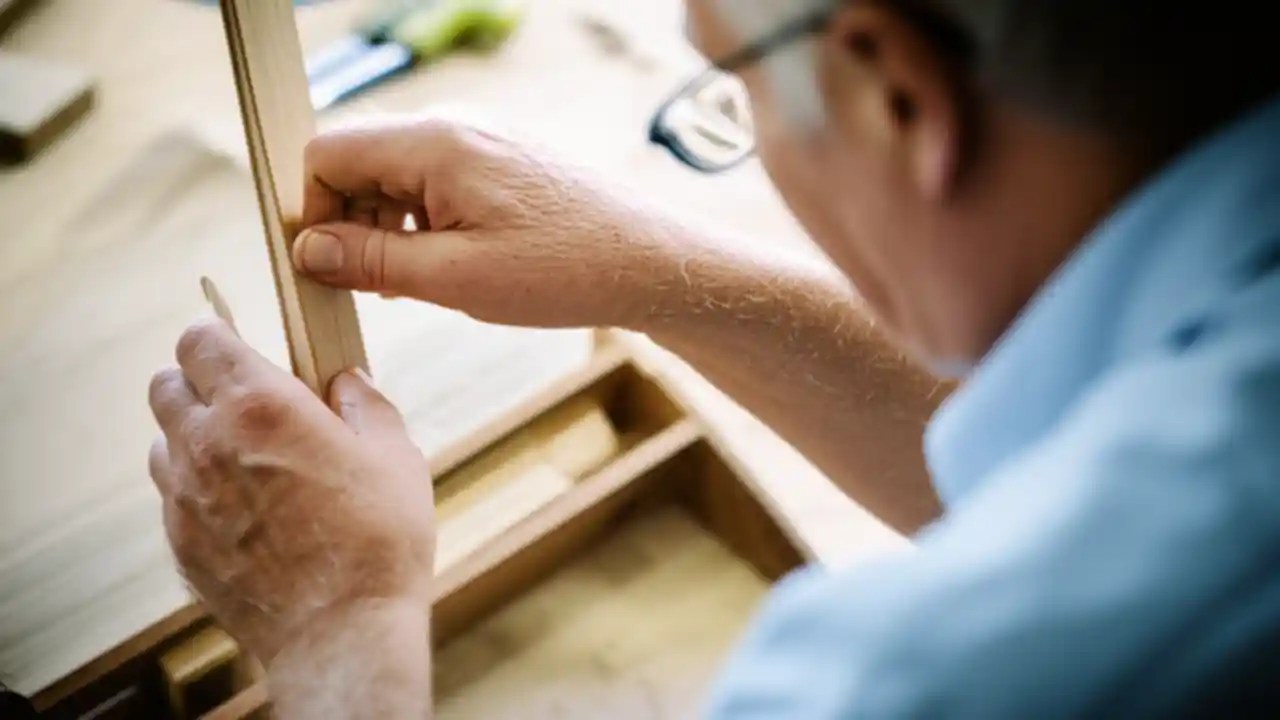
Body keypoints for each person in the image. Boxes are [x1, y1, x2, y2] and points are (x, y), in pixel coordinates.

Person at [146, 0, 1280, 716]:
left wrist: (338, 637)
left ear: (895, 90)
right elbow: (1049, 451)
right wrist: (652, 268)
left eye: (731, 83)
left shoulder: (918, 680)